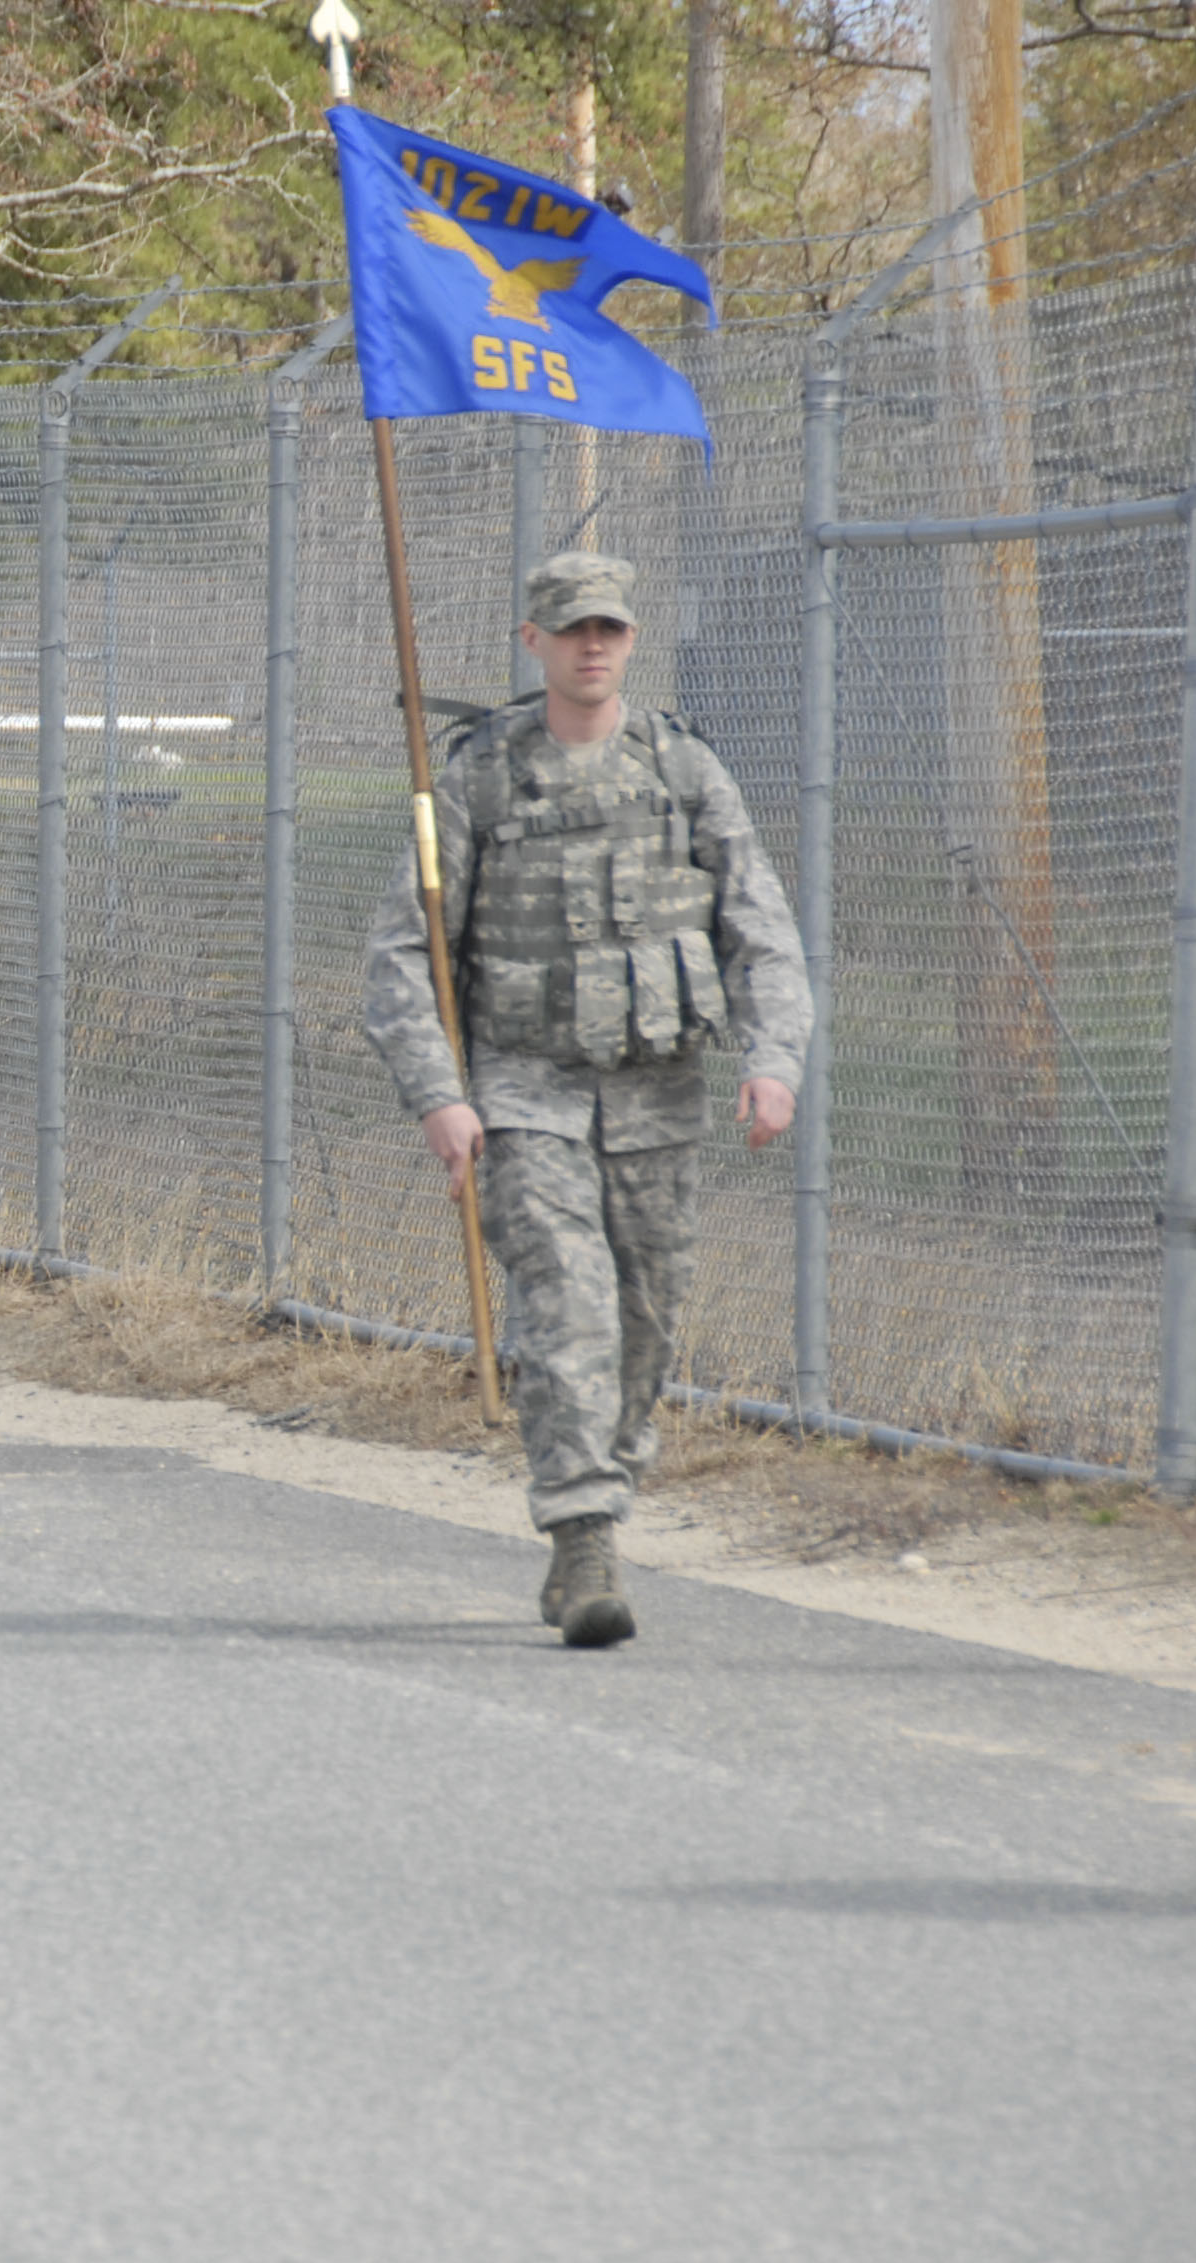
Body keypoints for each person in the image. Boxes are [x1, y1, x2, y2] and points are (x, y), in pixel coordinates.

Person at [362, 551, 812, 1649]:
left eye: (606, 626)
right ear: (533, 642)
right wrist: (439, 1095)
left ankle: (598, 1487)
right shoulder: (472, 778)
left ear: (629, 636)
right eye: (569, 630)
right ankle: (582, 1538)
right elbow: (397, 957)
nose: (590, 645)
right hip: (524, 1093)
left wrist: (773, 1061)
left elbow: (758, 929)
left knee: (644, 1328)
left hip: (656, 1096)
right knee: (565, 1306)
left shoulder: (684, 769)